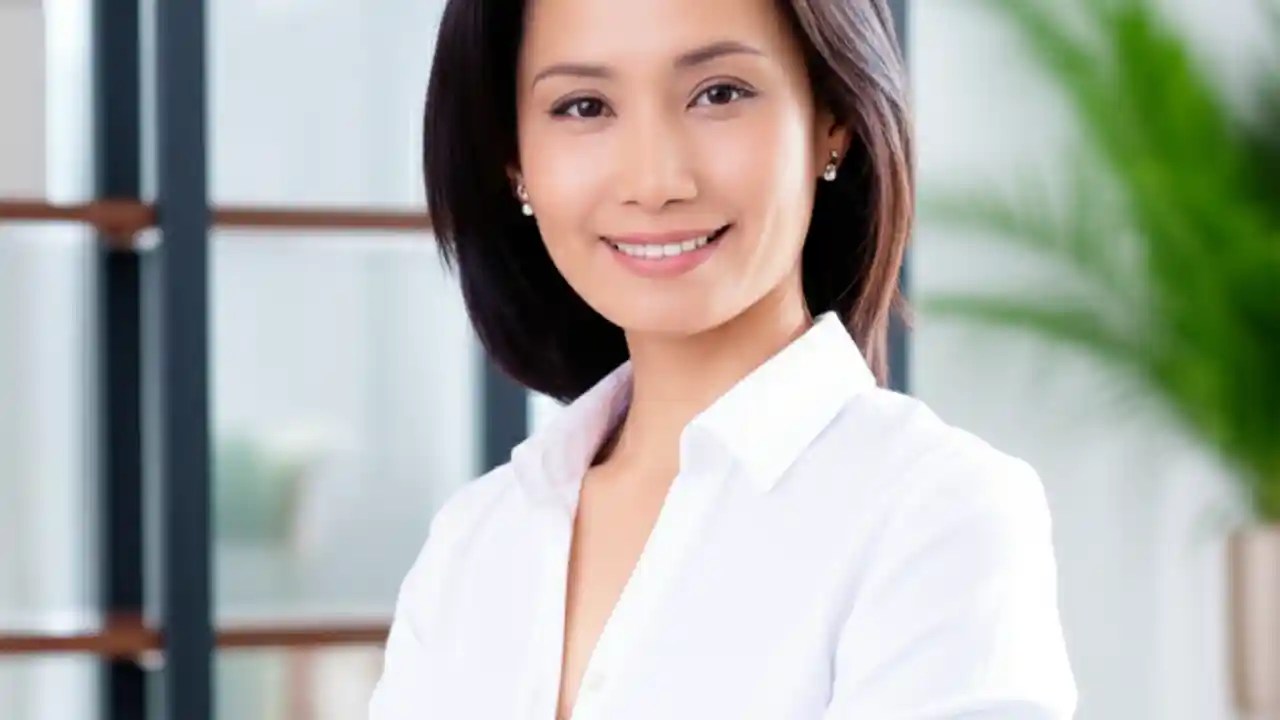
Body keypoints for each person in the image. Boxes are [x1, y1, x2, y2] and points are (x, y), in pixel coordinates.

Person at [370, 0, 1078, 717]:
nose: (654, 182)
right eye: (584, 106)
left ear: (832, 122)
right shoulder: (473, 542)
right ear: (515, 159)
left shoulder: (935, 511)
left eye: (719, 94)